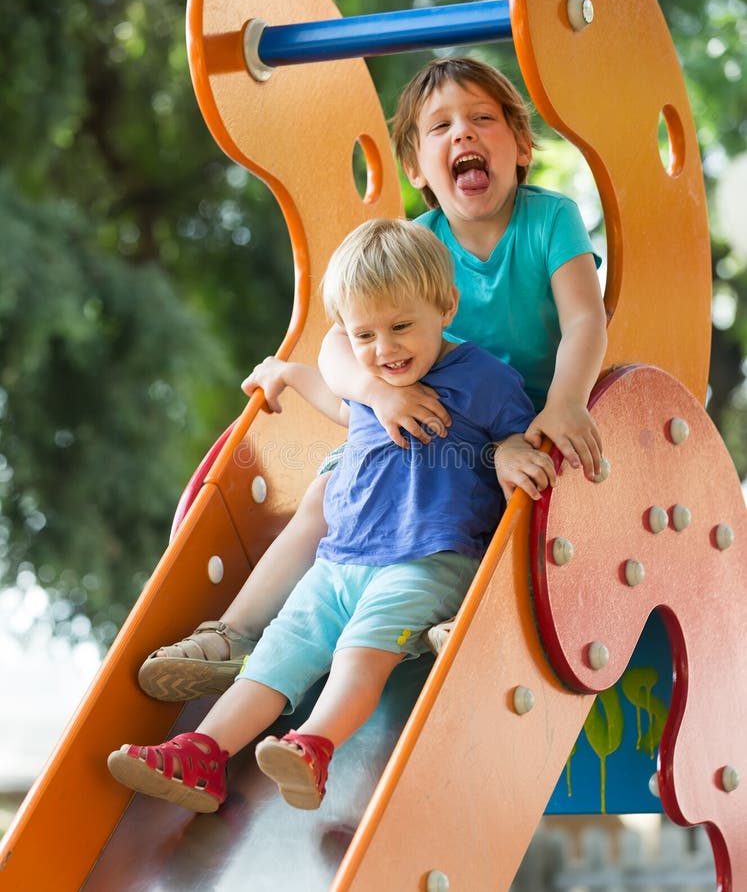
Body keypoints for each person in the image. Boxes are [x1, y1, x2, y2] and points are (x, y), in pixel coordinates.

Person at [136, 55, 607, 703]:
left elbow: (584, 319)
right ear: (416, 168)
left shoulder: (549, 220)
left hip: (510, 425)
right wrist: (379, 392)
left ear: (519, 146)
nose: (463, 135)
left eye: (481, 119)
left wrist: (564, 403)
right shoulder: (415, 245)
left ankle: (458, 618)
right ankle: (233, 633)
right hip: (418, 420)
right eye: (439, 127)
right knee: (324, 496)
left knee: (523, 496)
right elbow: (336, 342)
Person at [108, 217, 556, 813]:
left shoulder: (484, 378)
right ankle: (203, 754)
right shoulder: (369, 384)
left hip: (427, 559)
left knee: (358, 653)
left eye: (401, 328)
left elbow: (518, 436)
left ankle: (315, 746)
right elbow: (335, 401)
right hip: (340, 559)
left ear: (445, 307)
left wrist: (512, 450)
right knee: (274, 656)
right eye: (365, 335)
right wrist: (286, 373)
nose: (385, 350)